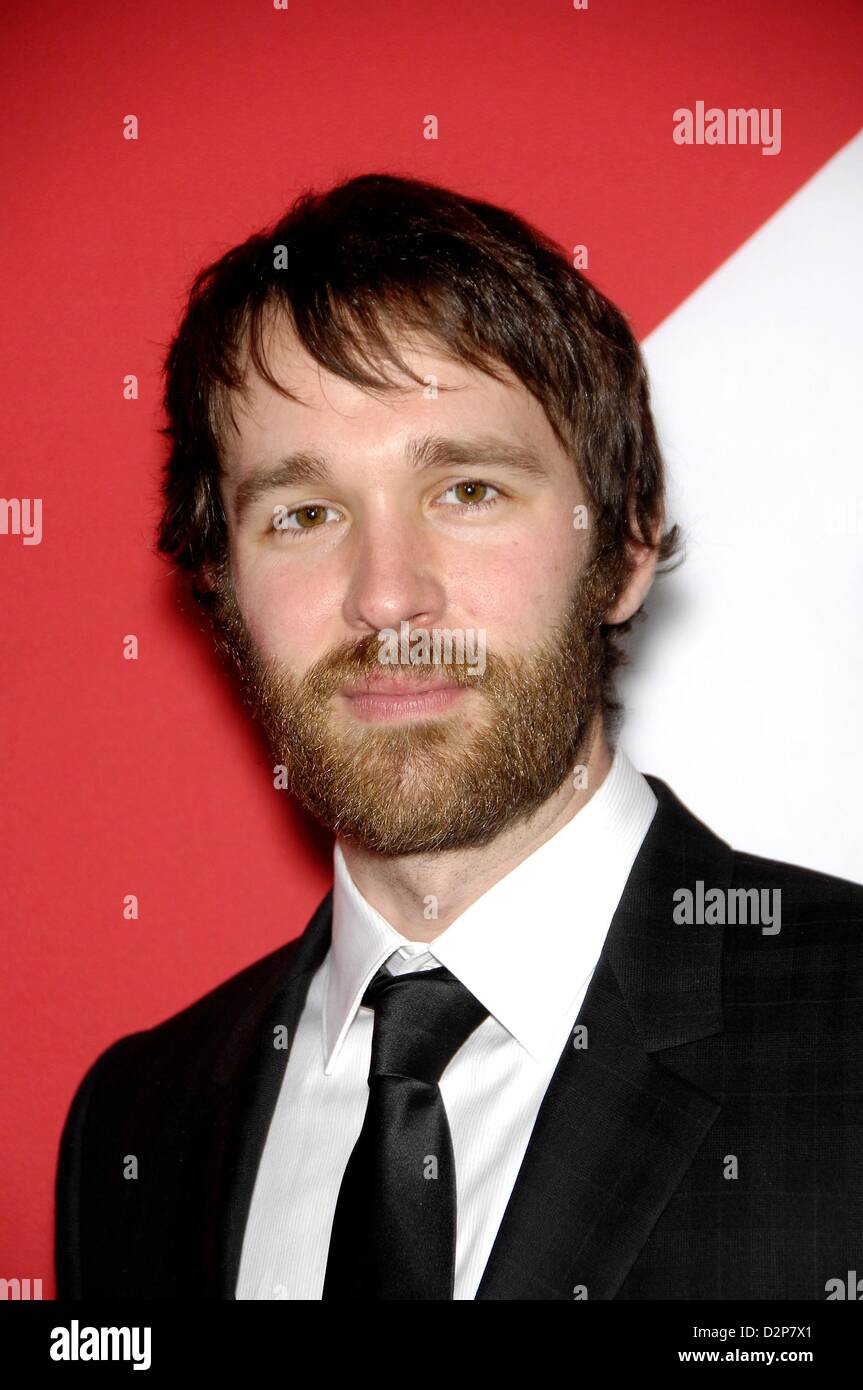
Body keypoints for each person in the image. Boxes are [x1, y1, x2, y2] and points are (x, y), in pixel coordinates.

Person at [55, 172, 863, 1300]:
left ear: (625, 543)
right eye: (303, 514)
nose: (386, 596)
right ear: (226, 593)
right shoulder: (133, 1125)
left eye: (468, 489)